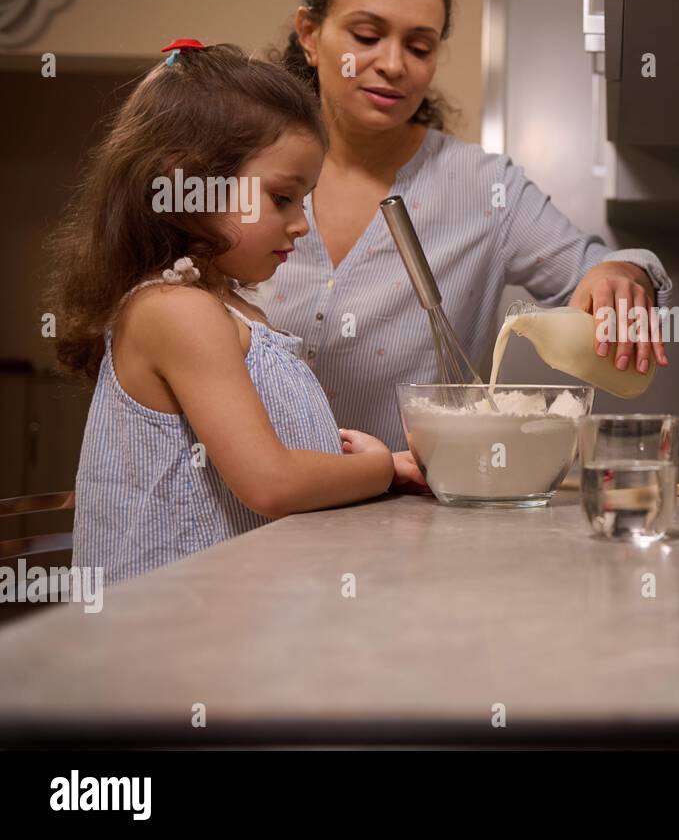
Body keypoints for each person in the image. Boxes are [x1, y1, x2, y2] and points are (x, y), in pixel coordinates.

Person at [269, 0, 673, 451]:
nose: (392, 64)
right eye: (366, 37)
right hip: (245, 500)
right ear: (309, 34)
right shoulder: (247, 170)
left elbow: (597, 271)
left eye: (420, 47)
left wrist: (623, 274)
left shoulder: (485, 189)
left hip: (409, 500)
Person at [47, 41, 424, 586]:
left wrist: (372, 465)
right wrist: (377, 467)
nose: (302, 223)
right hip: (175, 619)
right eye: (282, 198)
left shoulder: (230, 311)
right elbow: (270, 483)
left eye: (304, 200)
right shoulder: (175, 311)